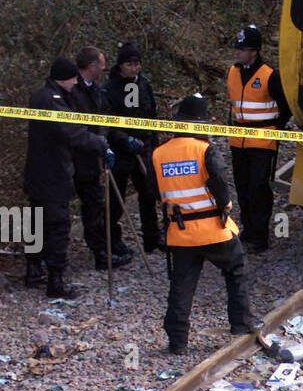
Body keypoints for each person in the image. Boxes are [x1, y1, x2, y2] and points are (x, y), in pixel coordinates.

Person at [151, 93, 257, 354]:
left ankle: (177, 342)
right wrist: (226, 205)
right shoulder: (205, 150)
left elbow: (155, 192)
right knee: (236, 270)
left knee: (181, 286)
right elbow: (219, 182)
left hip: (180, 233)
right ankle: (241, 323)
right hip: (214, 231)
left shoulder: (159, 154)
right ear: (201, 122)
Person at [23, 57, 114, 299]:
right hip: (52, 174)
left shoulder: (44, 96)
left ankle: (34, 269)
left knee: (37, 221)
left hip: (40, 171)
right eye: (73, 78)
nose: (76, 82)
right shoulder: (51, 100)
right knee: (56, 226)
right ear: (65, 77)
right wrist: (100, 144)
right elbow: (71, 131)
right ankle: (56, 280)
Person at [225, 23, 290, 252]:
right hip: (238, 139)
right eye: (237, 49)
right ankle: (248, 231)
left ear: (254, 50)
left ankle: (260, 237)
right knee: (242, 187)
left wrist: (275, 129)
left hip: (262, 141)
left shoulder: (269, 75)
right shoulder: (233, 71)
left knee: (259, 189)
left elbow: (286, 107)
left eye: (242, 49)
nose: (237, 52)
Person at [69, 46, 132, 269]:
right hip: (72, 157)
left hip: (92, 156)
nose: (104, 69)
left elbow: (104, 120)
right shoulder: (71, 90)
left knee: (95, 205)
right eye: (101, 64)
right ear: (92, 66)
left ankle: (100, 251)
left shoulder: (95, 91)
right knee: (60, 209)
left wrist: (109, 143)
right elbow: (76, 128)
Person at [105, 41, 160, 253]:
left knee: (148, 194)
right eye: (129, 64)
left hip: (143, 148)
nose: (134, 67)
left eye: (137, 63)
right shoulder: (109, 89)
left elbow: (151, 115)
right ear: (120, 65)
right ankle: (113, 240)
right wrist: (123, 139)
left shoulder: (144, 85)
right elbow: (107, 121)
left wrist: (153, 145)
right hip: (121, 151)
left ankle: (152, 237)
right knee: (115, 198)